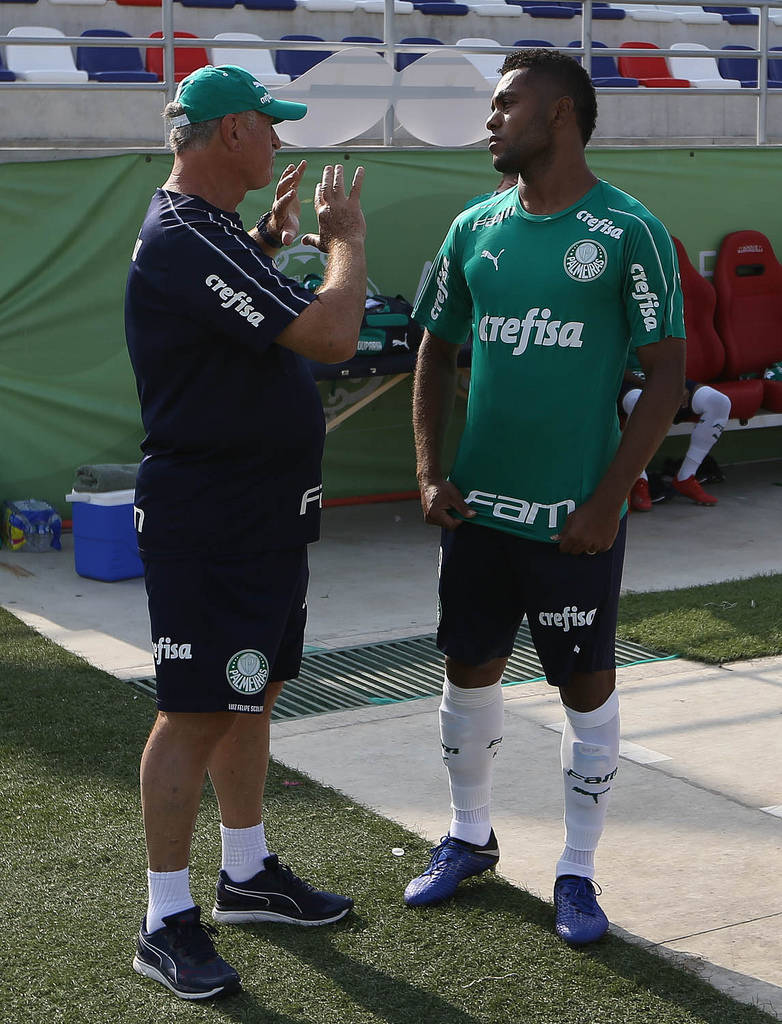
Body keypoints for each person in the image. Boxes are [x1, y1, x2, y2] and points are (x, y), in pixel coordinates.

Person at [407, 48, 686, 946]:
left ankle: (577, 870)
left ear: (560, 114)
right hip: (478, 515)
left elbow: (668, 375)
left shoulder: (628, 231)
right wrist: (429, 472)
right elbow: (432, 347)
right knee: (468, 669)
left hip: (574, 522)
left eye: (506, 103)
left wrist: (609, 499)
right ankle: (468, 835)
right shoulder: (473, 226)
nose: (491, 120)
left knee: (585, 686)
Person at [124, 64, 367, 1000]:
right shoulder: (185, 233)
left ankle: (248, 872)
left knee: (250, 690)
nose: (278, 139)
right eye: (269, 124)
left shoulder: (217, 229)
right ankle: (164, 921)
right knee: (195, 710)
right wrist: (345, 244)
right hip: (209, 519)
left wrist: (268, 241)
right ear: (231, 133)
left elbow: (227, 317)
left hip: (259, 512)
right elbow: (332, 336)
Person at [620, 368, 730, 510]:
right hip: (624, 381)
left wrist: (677, 382)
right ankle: (639, 481)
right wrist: (653, 385)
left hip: (661, 377)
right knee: (641, 402)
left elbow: (672, 359)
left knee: (719, 402)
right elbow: (613, 365)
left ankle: (686, 477)